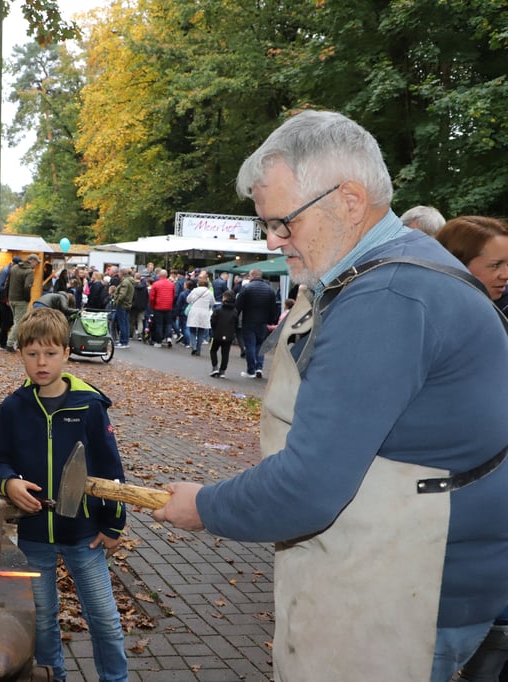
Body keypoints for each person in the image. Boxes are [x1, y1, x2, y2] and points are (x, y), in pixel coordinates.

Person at [152, 110, 508, 682]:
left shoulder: (386, 297)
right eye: (267, 224)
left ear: (349, 200)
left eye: (284, 222)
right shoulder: (394, 273)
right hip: (412, 574)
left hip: (407, 596)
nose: (274, 240)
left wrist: (205, 506)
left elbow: (308, 488)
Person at [0, 307, 128, 682]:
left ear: (66, 352)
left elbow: (111, 471)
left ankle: (115, 678)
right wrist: (8, 483)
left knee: (105, 619)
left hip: (85, 535)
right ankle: (53, 677)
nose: (41, 363)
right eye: (32, 354)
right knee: (43, 621)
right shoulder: (14, 407)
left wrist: (113, 525)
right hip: (34, 534)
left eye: (50, 353)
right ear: (20, 355)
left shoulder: (89, 406)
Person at [435, 216, 508, 681]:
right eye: (495, 264)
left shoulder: (492, 316)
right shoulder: (445, 325)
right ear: (461, 264)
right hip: (454, 538)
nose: (506, 275)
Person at [234, 268, 279, 379]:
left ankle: (251, 370)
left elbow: (238, 305)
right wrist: (271, 320)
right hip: (263, 322)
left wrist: (235, 318)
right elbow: (273, 307)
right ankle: (259, 367)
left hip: (249, 320)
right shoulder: (269, 289)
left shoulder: (246, 288)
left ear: (252, 275)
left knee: (250, 345)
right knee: (260, 345)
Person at [6, 253, 39, 351]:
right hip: (21, 300)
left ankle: (18, 342)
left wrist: (7, 297)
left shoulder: (14, 268)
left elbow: (7, 284)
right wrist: (27, 298)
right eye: (36, 262)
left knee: (16, 321)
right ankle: (10, 343)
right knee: (19, 322)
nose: (36, 265)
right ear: (32, 260)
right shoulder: (29, 272)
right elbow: (27, 286)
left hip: (11, 299)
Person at [209, 289, 238, 378]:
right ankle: (222, 370)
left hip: (217, 333)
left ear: (224, 298)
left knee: (213, 350)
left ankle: (215, 367)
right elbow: (236, 324)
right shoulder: (235, 311)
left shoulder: (218, 310)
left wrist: (214, 329)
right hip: (229, 335)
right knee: (225, 353)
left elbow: (213, 321)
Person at [184, 276, 214, 356]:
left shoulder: (194, 291)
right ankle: (198, 349)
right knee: (201, 332)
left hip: (194, 312)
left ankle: (194, 347)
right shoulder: (209, 293)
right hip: (204, 313)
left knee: (192, 330)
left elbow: (188, 300)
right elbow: (212, 303)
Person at [0, 256, 21, 351]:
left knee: (7, 322)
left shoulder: (8, 270)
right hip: (4, 301)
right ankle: (2, 342)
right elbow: (1, 286)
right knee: (7, 321)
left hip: (6, 300)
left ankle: (2, 342)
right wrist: (6, 299)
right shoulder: (6, 271)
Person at [147, 268, 174, 347]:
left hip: (158, 307)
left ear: (159, 275)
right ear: (167, 275)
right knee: (168, 323)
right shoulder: (171, 284)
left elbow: (152, 297)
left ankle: (159, 341)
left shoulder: (156, 284)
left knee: (159, 324)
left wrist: (152, 306)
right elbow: (173, 295)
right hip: (168, 306)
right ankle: (169, 337)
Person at [112, 267, 134, 348]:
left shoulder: (125, 282)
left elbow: (122, 294)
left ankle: (123, 342)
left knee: (122, 324)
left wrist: (116, 302)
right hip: (127, 304)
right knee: (126, 323)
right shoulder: (130, 281)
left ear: (121, 274)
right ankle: (125, 341)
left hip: (122, 305)